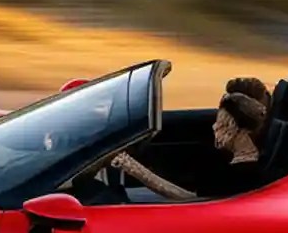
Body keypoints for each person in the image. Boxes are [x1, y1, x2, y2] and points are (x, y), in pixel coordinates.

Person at [108, 77, 273, 201]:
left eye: (223, 124)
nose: (214, 127)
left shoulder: (244, 174)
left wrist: (132, 168)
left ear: (239, 129)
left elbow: (192, 201)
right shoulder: (226, 157)